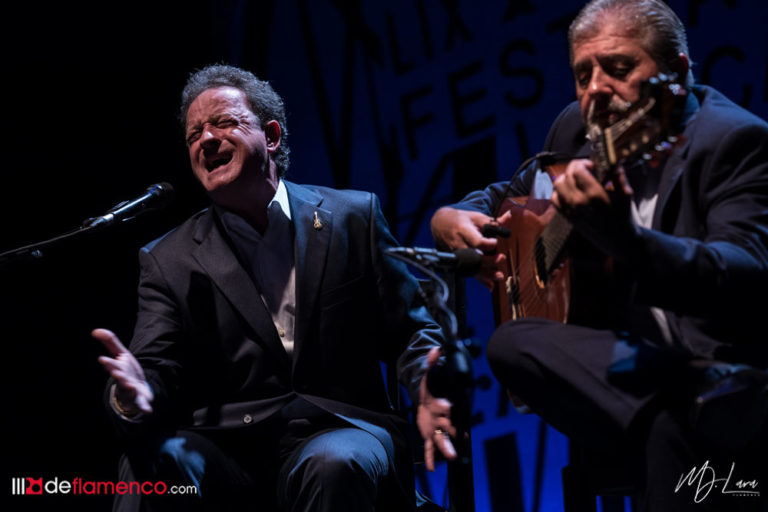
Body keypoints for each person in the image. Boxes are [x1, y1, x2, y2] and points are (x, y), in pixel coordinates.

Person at [430, 0, 768, 510]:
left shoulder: (733, 141)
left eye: (619, 68)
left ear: (676, 74)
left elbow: (744, 275)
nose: (596, 91)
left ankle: (683, 403)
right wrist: (451, 216)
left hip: (726, 370)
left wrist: (626, 242)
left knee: (665, 433)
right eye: (583, 75)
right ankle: (679, 402)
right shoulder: (578, 133)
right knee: (510, 342)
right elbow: (511, 191)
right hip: (630, 374)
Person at [93, 64, 457, 512]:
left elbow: (411, 331)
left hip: (340, 430)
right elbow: (154, 367)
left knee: (333, 463)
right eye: (193, 134)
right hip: (231, 452)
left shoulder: (352, 217)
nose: (205, 139)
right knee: (151, 463)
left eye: (223, 123)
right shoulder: (169, 259)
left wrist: (427, 388)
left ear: (271, 136)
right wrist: (133, 396)